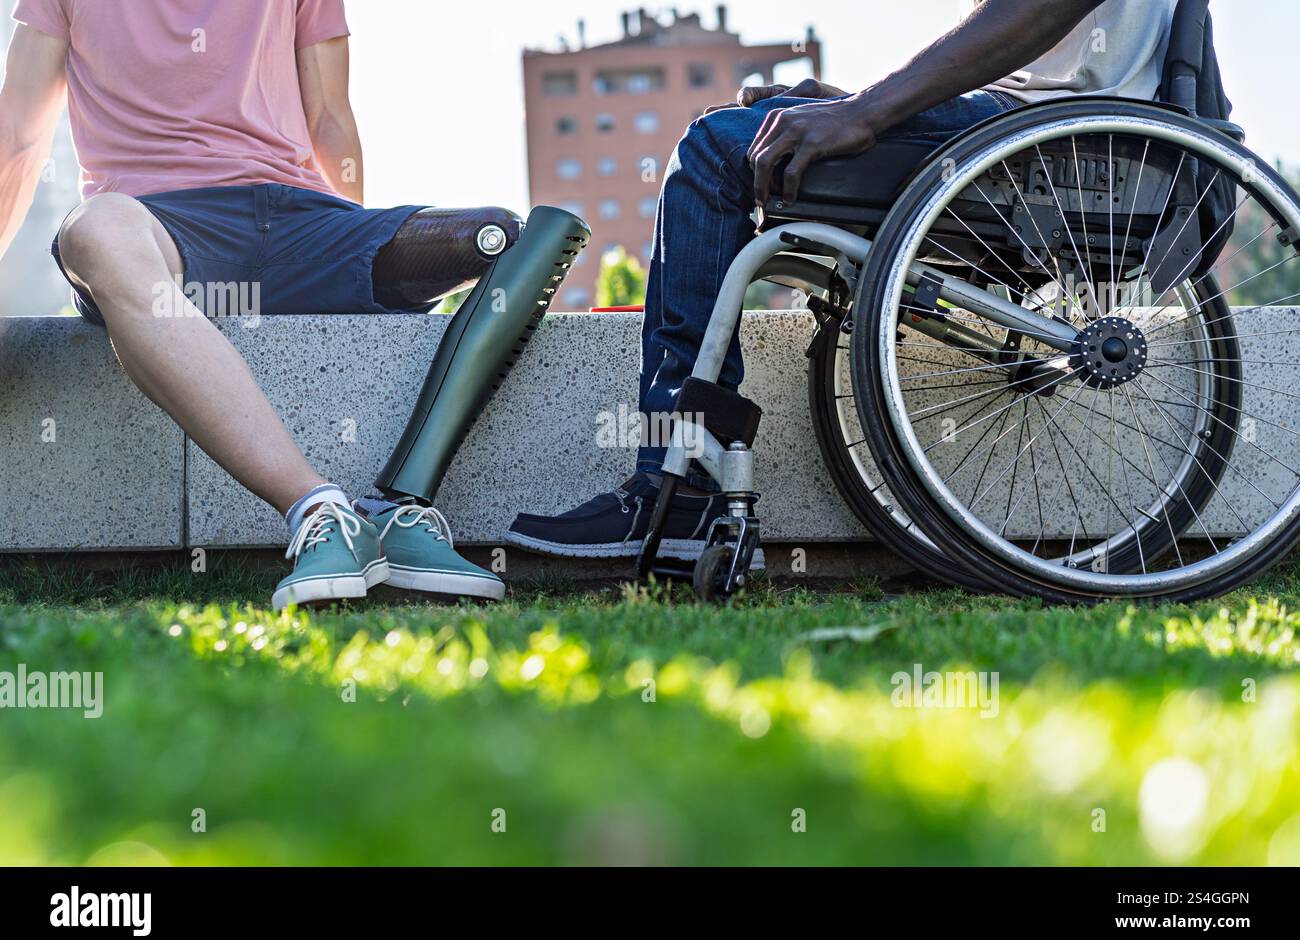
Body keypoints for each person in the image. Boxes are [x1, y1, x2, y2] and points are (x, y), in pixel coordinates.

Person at [508, 0, 1177, 560]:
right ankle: (683, 479)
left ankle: (678, 485)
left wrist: (866, 114)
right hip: (1034, 128)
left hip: (1059, 143)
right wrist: (860, 104)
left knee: (715, 151)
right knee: (762, 131)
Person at [0, 0, 517, 608]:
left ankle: (398, 512)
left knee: (500, 236)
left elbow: (329, 117)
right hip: (157, 227)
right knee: (94, 229)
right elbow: (18, 136)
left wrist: (351, 268)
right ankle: (320, 511)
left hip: (302, 220)